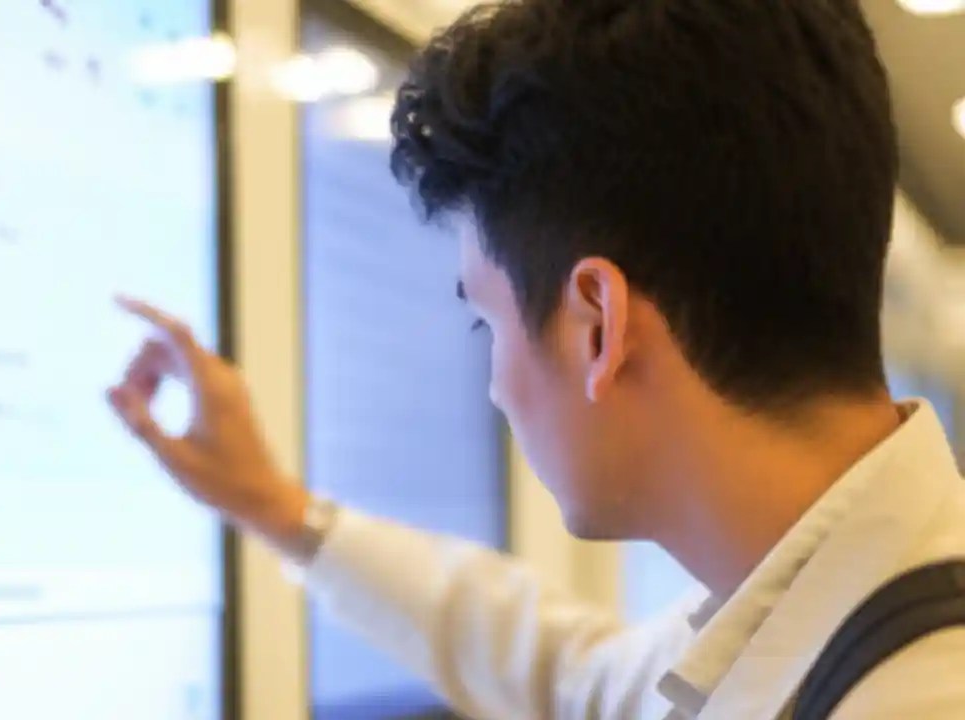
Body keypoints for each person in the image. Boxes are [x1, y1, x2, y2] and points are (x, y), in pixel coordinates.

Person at [107, 1, 965, 718]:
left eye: (488, 325)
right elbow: (572, 674)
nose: (497, 386)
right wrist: (278, 509)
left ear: (598, 323)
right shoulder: (830, 606)